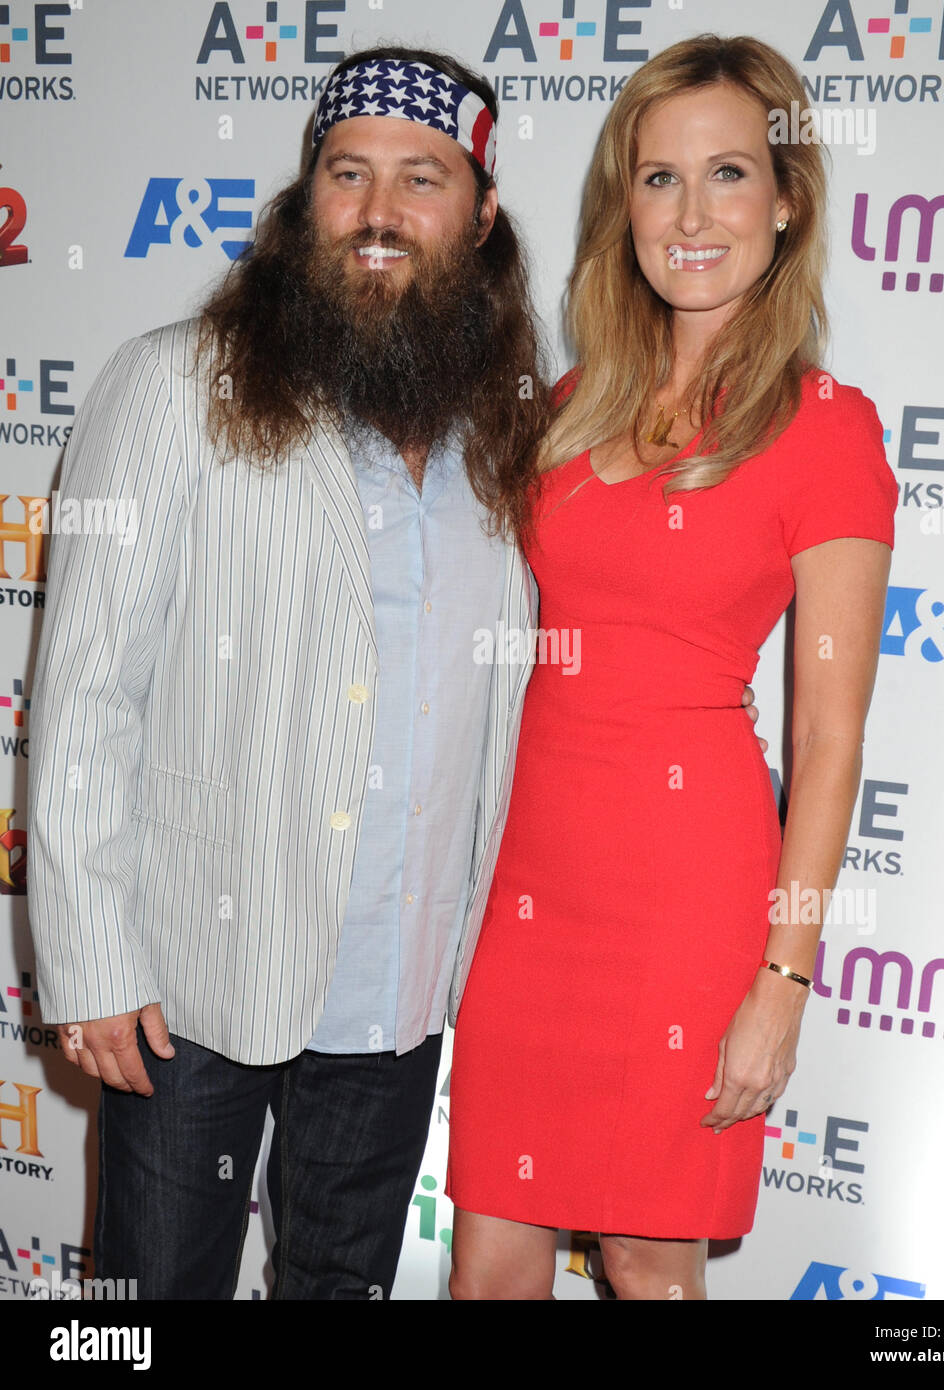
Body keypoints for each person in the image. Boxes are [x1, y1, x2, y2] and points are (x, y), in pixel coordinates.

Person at [25, 44, 554, 1301]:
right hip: (195, 980)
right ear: (303, 197)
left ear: (480, 216)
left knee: (341, 1285)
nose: (377, 209)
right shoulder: (173, 385)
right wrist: (92, 959)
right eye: (346, 171)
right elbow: (84, 690)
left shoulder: (510, 432)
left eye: (420, 178)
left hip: (397, 985)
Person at [446, 33, 897, 1301]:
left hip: (684, 896)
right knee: (485, 1255)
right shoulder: (574, 405)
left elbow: (829, 742)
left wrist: (783, 983)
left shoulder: (826, 431)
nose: (689, 215)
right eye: (656, 179)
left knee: (649, 1258)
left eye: (727, 174)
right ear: (621, 203)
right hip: (527, 887)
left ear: (787, 198)